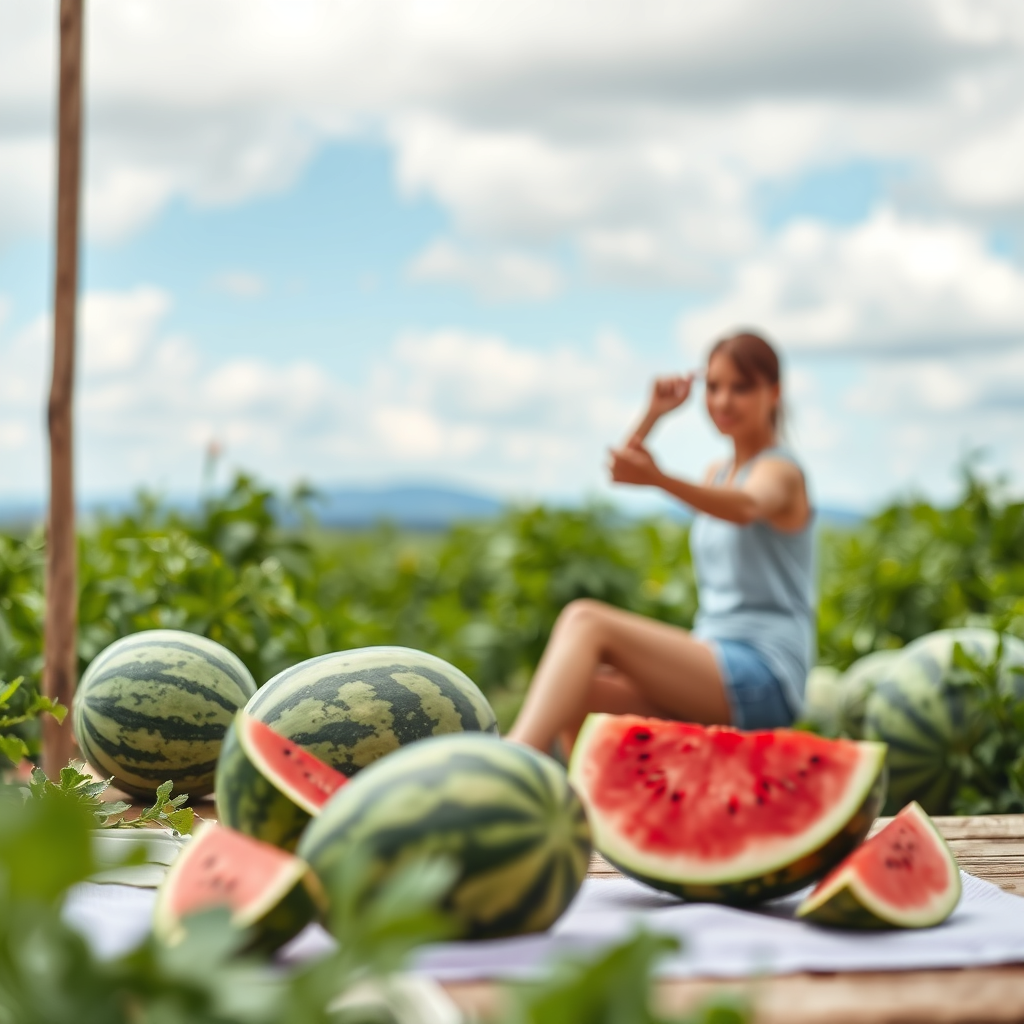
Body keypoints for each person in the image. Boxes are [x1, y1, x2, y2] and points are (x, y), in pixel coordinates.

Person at [507, 331, 814, 755]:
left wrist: (660, 479)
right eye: (714, 386)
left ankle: (511, 759)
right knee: (580, 692)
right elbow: (623, 469)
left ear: (774, 392)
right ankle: (587, 809)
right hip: (712, 658)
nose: (723, 401)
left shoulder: (781, 471)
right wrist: (653, 415)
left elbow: (745, 507)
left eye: (740, 388)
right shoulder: (716, 473)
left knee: (586, 620)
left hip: (764, 674)